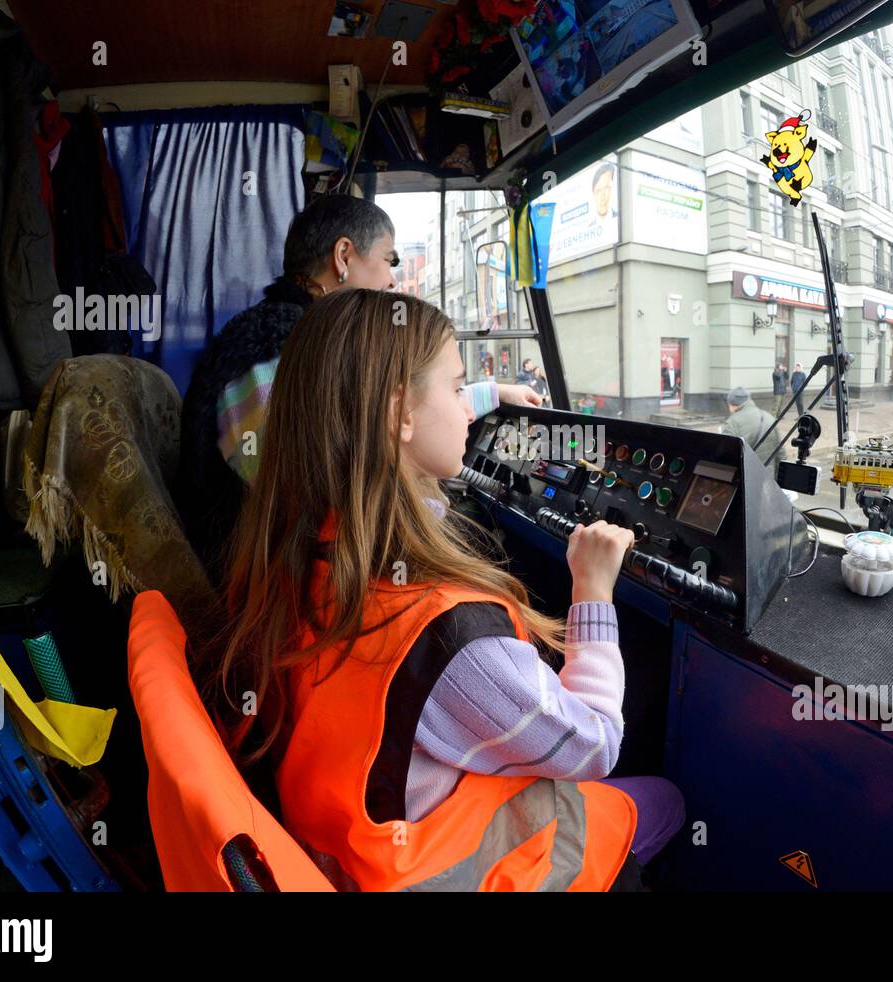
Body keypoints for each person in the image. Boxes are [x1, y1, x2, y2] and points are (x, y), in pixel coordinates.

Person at [194, 291, 683, 892]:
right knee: (666, 799)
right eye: (457, 389)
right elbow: (599, 743)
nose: (466, 410)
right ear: (400, 415)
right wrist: (592, 590)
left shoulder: (293, 549)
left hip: (344, 849)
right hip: (449, 869)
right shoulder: (450, 633)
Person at [176, 194, 541, 584]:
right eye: (389, 260)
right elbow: (310, 497)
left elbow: (384, 409)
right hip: (276, 581)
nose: (392, 280)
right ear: (344, 257)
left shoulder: (304, 344)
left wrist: (492, 393)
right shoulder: (272, 362)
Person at [722, 386, 771, 464]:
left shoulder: (732, 423)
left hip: (747, 475)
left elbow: (725, 454)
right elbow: (781, 454)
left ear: (731, 404)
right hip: (768, 474)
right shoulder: (769, 417)